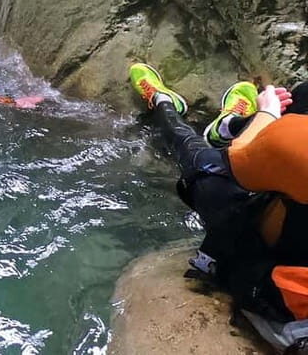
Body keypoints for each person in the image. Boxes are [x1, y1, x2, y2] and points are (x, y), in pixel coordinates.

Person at [129, 63, 308, 350]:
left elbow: (238, 162)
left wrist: (268, 113)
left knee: (206, 166)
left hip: (279, 297)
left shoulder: (300, 144)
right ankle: (229, 124)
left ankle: (166, 106)